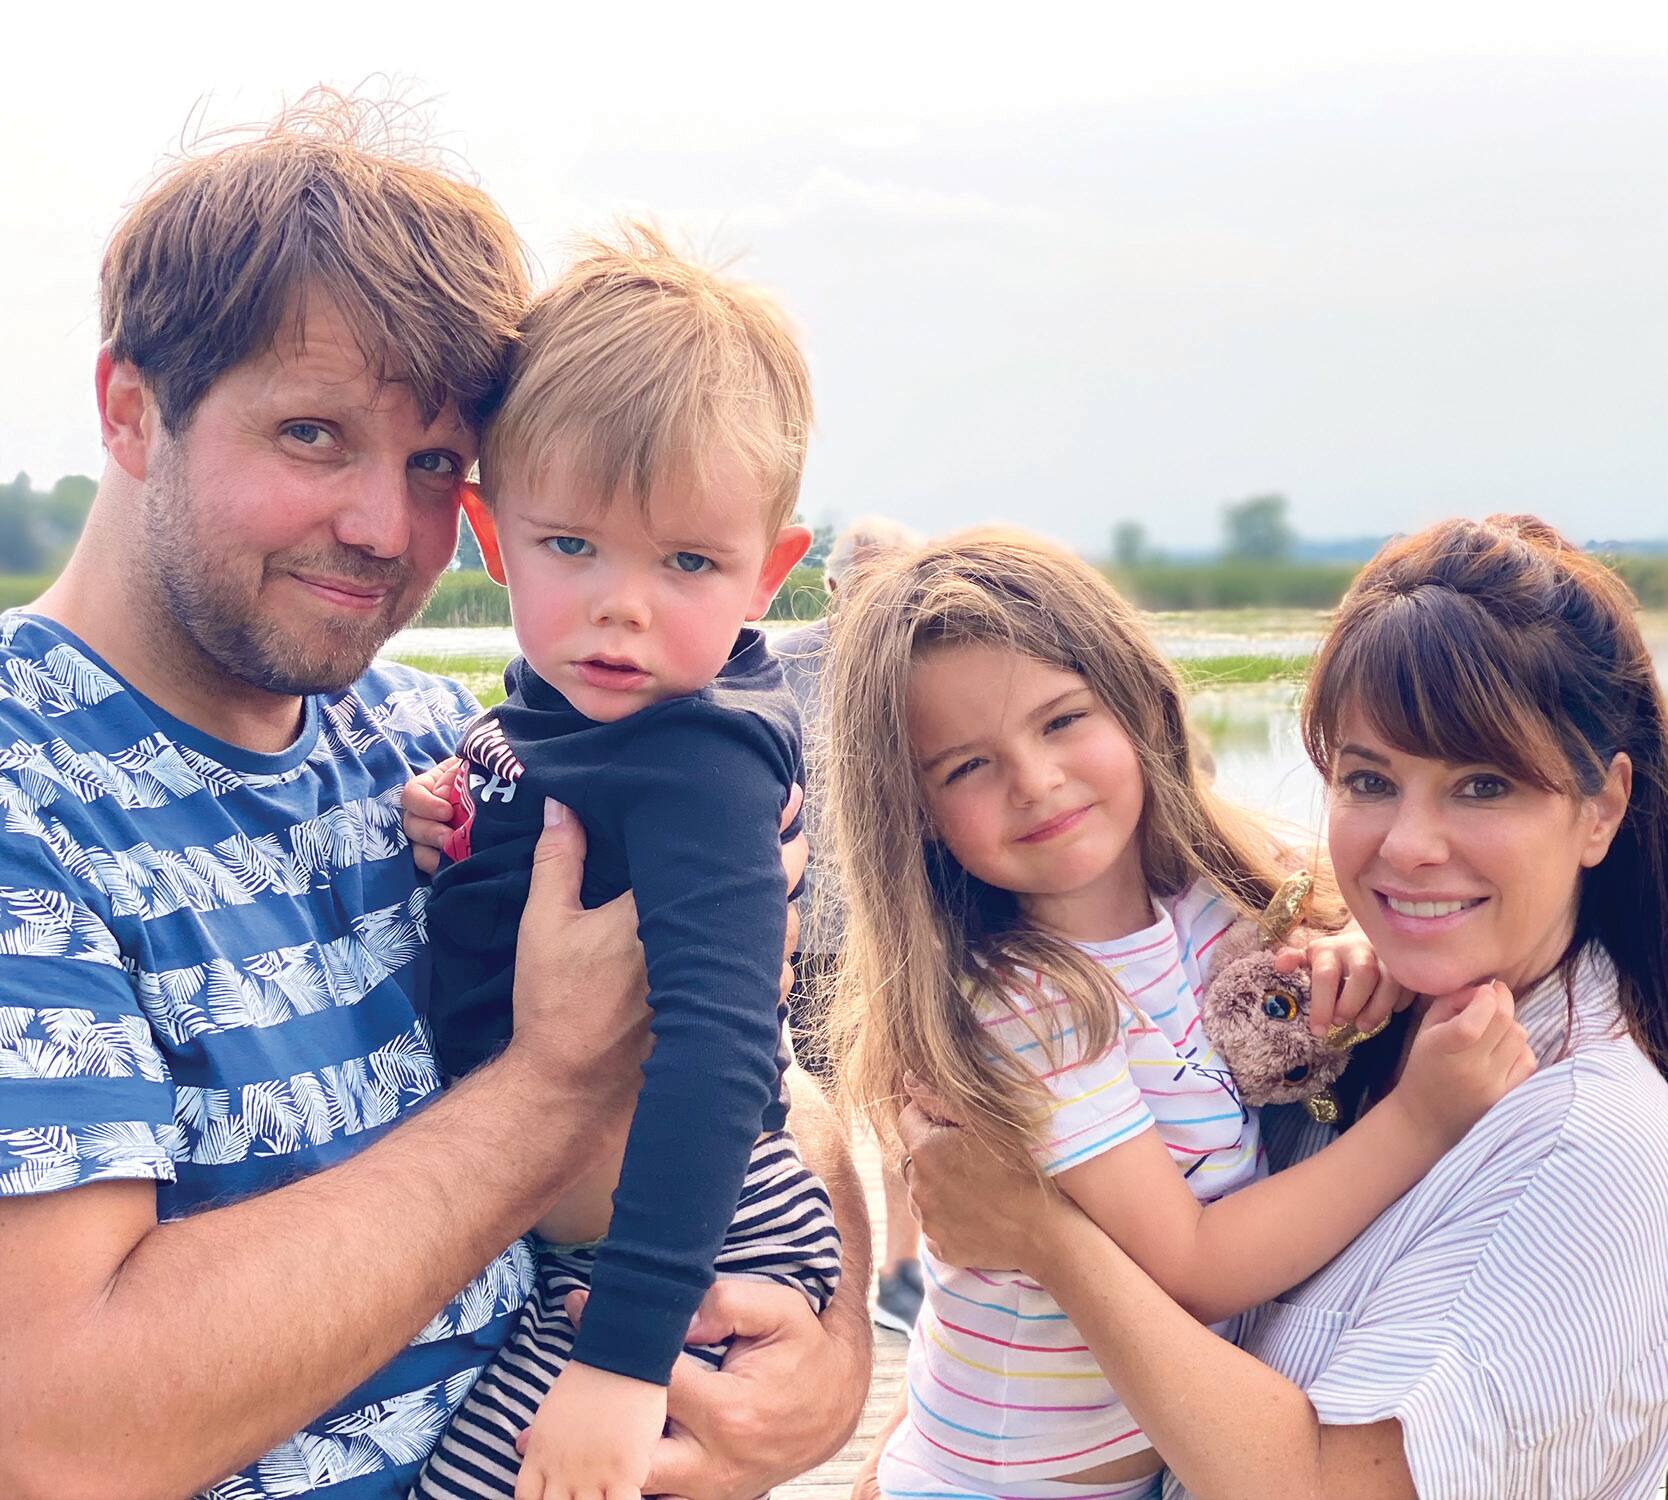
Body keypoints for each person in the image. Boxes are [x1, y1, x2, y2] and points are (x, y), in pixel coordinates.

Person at [0, 99, 871, 1500]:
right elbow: (58, 1431)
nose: (382, 529)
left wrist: (826, 1355)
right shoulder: (26, 792)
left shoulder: (437, 737)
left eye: (431, 465)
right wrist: (555, 1083)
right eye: (311, 434)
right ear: (130, 409)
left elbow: (768, 1079)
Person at [896, 516, 1668, 1499]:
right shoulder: (1367, 1020)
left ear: (1601, 808)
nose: (1409, 846)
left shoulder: (1587, 1149)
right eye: (1369, 780)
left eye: (1483, 786)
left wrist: (1044, 1239)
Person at [398, 229, 841, 1500]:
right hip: (597, 1234)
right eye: (571, 547)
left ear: (769, 574)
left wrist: (624, 1359)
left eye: (688, 562)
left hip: (686, 1247)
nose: (622, 605)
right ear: (492, 534)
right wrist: (457, 818)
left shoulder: (701, 760)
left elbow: (723, 1048)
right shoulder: (556, 702)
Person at [775, 514, 926, 1333]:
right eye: (864, 585)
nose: (881, 601)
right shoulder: (782, 668)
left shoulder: (928, 662)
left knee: (909, 1104)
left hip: (908, 932)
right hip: (814, 935)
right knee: (827, 1107)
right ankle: (835, 1269)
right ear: (832, 588)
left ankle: (904, 1271)